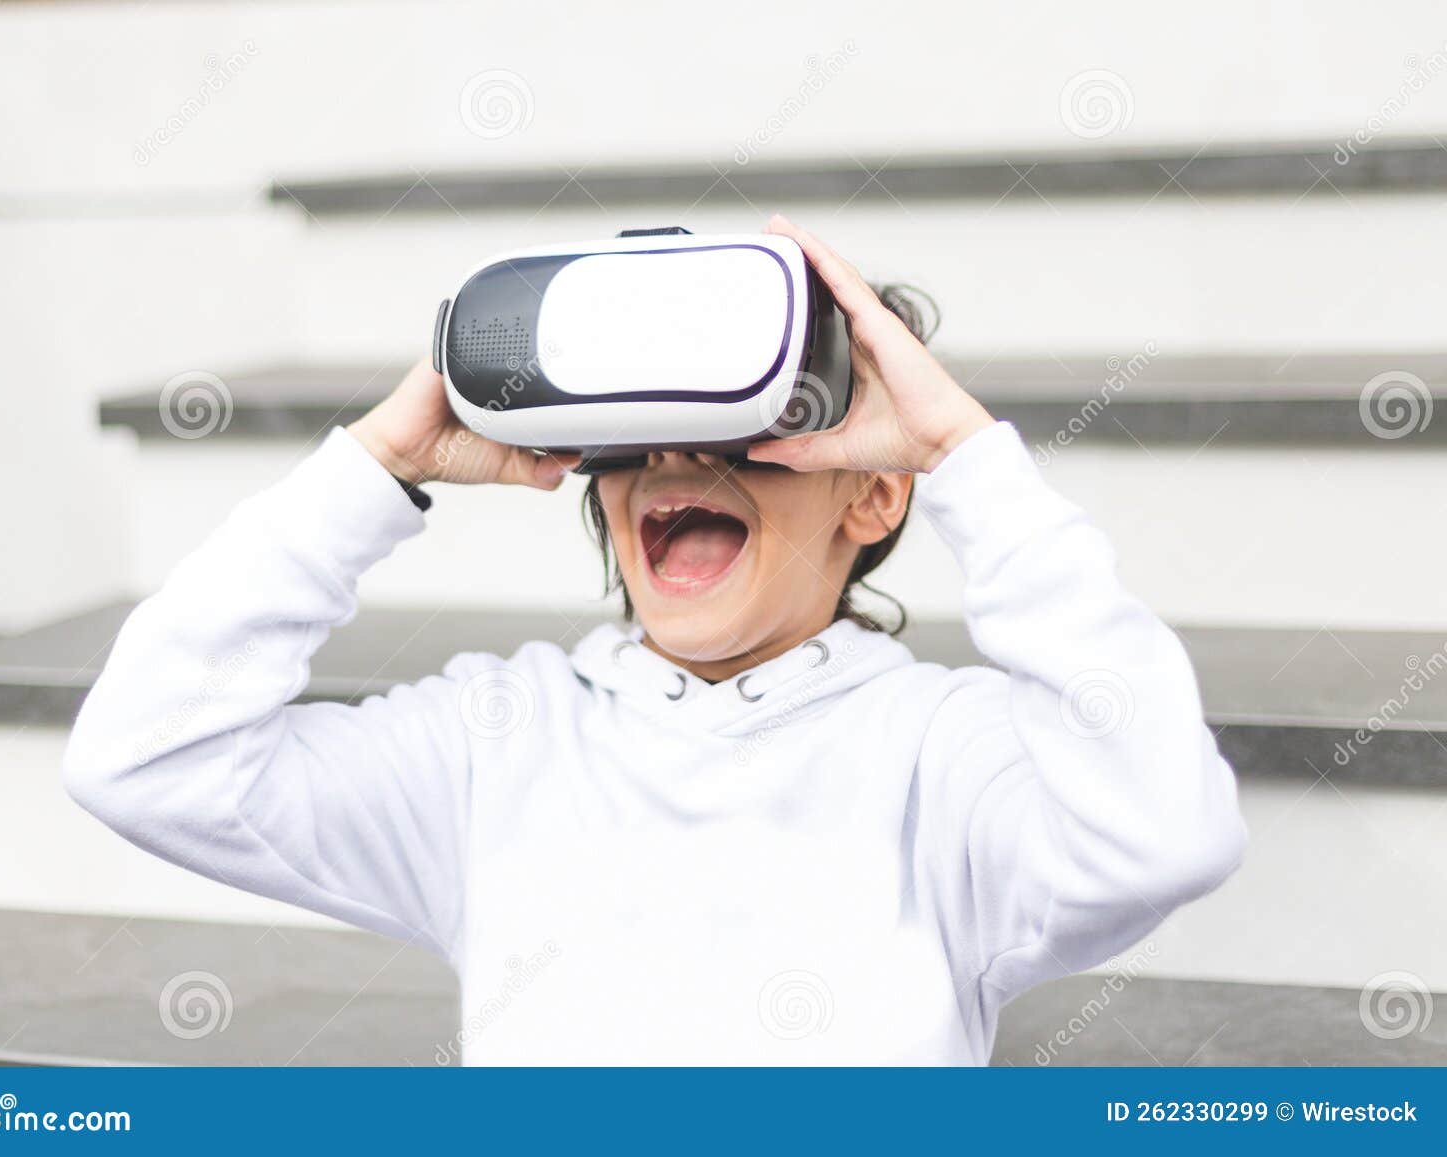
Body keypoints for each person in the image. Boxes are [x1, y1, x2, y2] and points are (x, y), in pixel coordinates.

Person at [64, 215, 1246, 1064]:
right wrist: (376, 467)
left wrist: (964, 464)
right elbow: (143, 757)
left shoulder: (946, 752)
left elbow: (1162, 839)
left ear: (869, 495)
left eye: (744, 431)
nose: (676, 461)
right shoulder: (497, 738)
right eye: (634, 434)